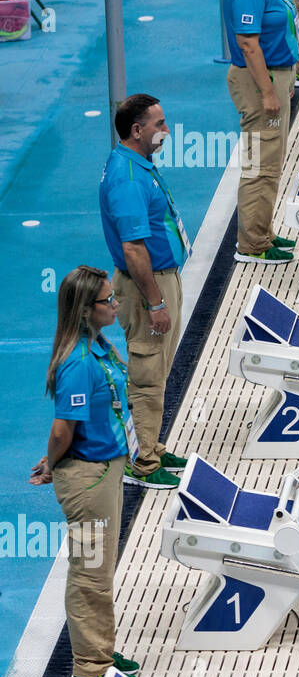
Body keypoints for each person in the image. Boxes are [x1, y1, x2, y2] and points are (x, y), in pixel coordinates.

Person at [29, 266, 142, 677]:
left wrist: (52, 458)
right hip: (89, 480)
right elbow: (63, 429)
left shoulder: (97, 344)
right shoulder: (78, 363)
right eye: (107, 301)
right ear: (84, 310)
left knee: (99, 567)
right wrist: (54, 461)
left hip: (105, 469)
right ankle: (90, 666)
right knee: (91, 570)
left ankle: (100, 650)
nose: (115, 304)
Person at [98, 94, 189, 489]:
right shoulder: (129, 179)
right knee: (148, 374)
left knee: (158, 369)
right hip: (145, 286)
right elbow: (134, 250)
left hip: (159, 277)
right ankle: (143, 463)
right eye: (159, 124)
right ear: (137, 131)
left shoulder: (135, 164)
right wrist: (156, 302)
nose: (166, 131)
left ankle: (150, 443)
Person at [223, 0, 299, 266]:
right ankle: (252, 244)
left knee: (270, 160)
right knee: (260, 164)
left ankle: (262, 230)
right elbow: (247, 43)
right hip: (259, 81)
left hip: (272, 75)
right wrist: (269, 90)